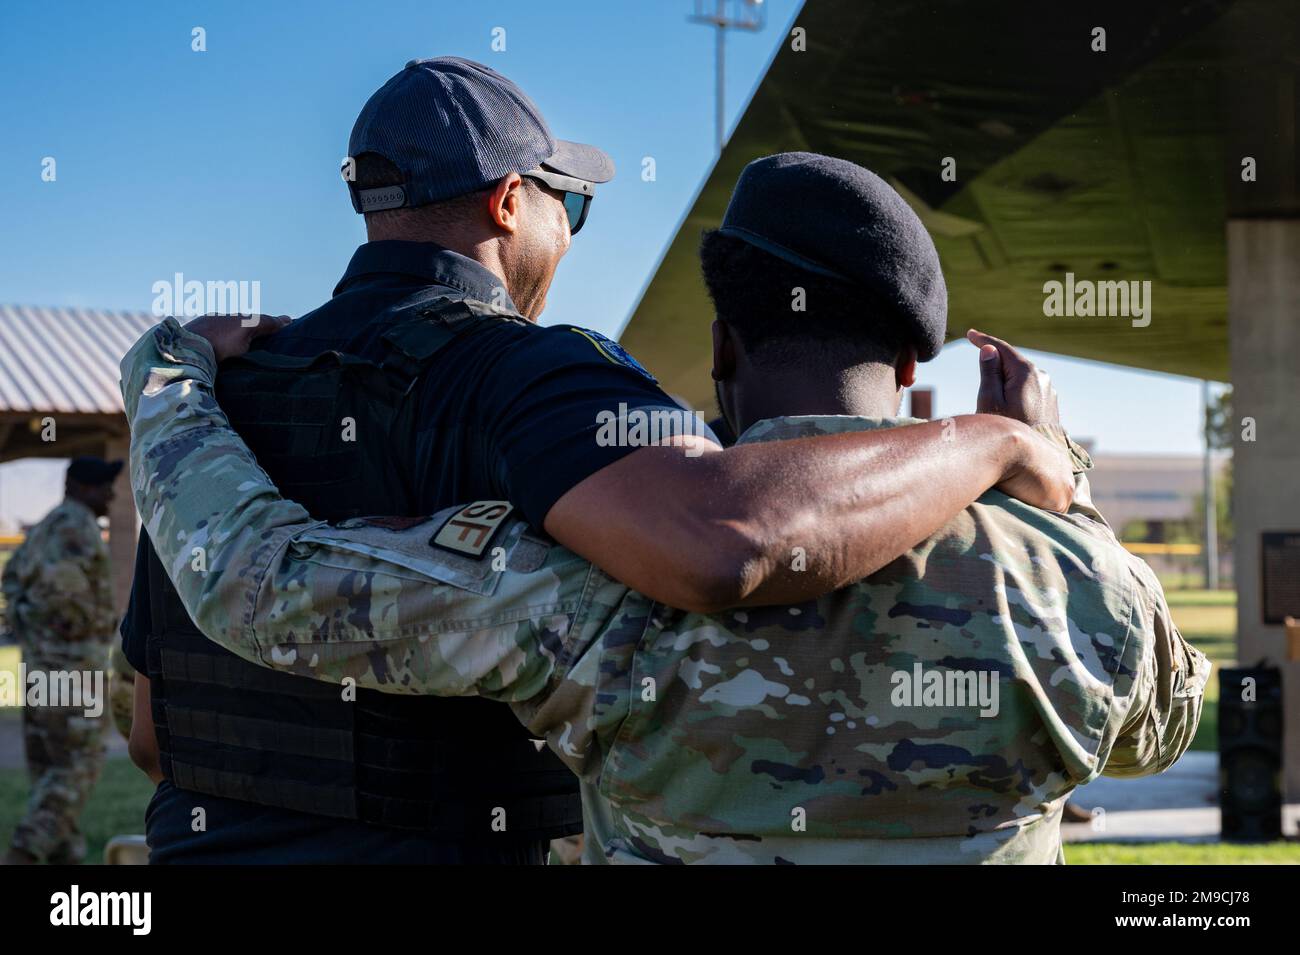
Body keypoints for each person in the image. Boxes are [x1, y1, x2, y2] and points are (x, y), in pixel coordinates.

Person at [121, 153, 1209, 863]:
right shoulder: (1082, 588)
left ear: (725, 347)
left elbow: (248, 580)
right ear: (910, 379)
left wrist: (172, 378)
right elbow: (1160, 727)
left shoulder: (579, 584)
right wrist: (1063, 493)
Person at [2, 456, 120, 865]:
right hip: (73, 674)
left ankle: (65, 859)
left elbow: (13, 578)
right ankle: (22, 854)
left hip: (41, 669)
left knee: (51, 771)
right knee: (76, 768)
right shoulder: (75, 526)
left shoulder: (47, 525)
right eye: (105, 486)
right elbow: (64, 597)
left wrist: (33, 632)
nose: (112, 494)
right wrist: (81, 632)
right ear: (81, 487)